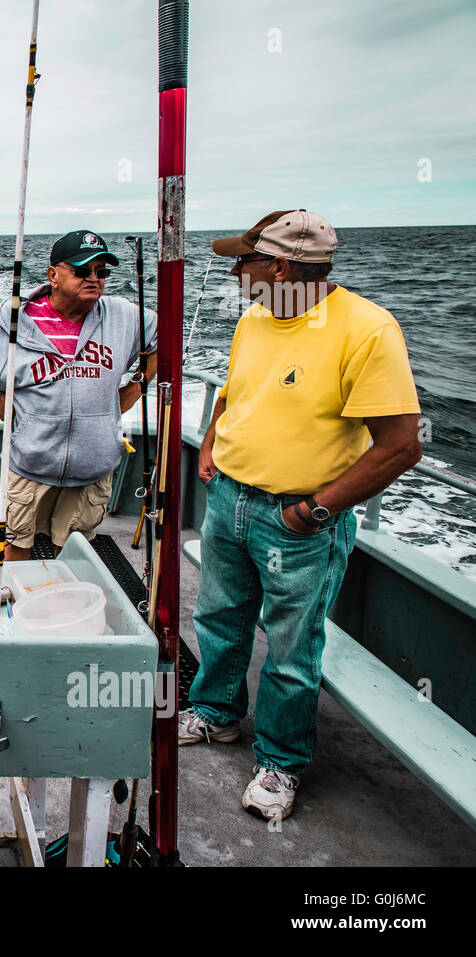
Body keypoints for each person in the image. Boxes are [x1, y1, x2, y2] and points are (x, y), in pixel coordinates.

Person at [182, 209, 422, 821]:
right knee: (218, 616)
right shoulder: (257, 317)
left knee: (291, 646)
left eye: (245, 260)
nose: (236, 271)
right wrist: (211, 443)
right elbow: (237, 393)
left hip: (297, 518)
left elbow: (400, 447)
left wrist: (313, 511)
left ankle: (281, 762)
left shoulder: (368, 330)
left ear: (280, 266)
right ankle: (215, 714)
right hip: (230, 498)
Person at [0, 229, 157, 557]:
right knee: (16, 542)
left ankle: (61, 604)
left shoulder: (124, 316)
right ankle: (17, 602)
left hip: (92, 465)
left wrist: (135, 389)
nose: (94, 278)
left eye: (102, 272)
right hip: (30, 462)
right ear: (53, 275)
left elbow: (166, 341)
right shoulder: (14, 321)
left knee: (73, 549)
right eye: (82, 271)